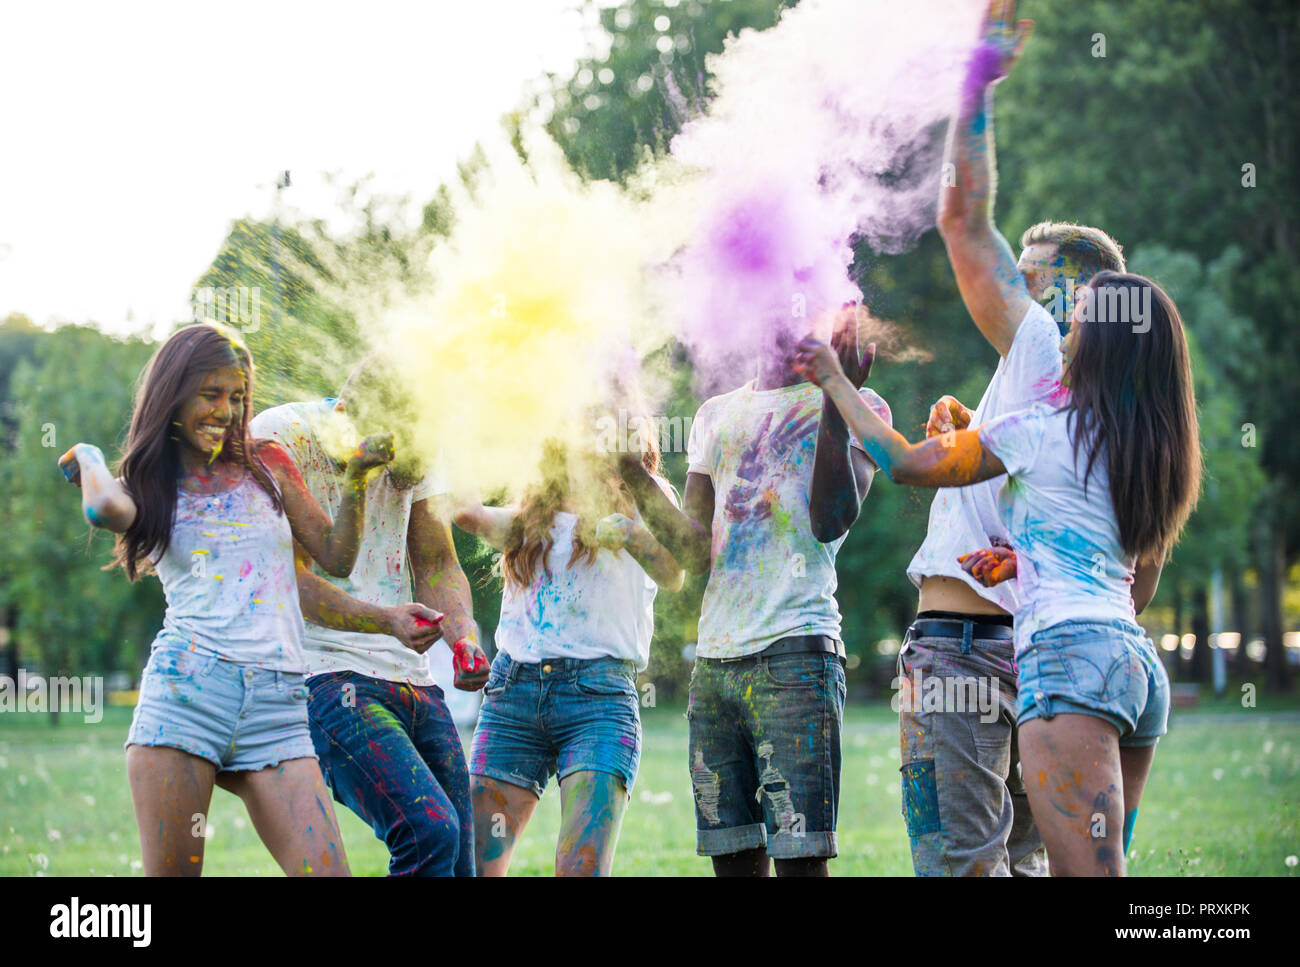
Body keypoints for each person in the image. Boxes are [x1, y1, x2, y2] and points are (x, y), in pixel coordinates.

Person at [793, 269, 1201, 876]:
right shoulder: (1145, 441)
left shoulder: (1041, 415)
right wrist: (1027, 561)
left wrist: (832, 379)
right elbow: (1128, 578)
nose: (1061, 330)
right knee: (1050, 863)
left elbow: (902, 462)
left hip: (993, 658)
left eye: (1076, 317)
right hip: (1119, 663)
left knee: (966, 865)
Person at [894, 0, 1128, 875]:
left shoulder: (1039, 339)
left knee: (960, 868)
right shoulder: (1117, 400)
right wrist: (976, 433)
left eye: (1030, 282)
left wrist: (977, 78)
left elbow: (961, 216)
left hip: (964, 644)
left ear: (1070, 296)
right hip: (1055, 648)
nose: (1010, 296)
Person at [58, 323, 393, 876]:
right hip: (190, 693)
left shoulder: (269, 463)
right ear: (173, 397)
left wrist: (357, 476)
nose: (226, 410)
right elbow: (103, 511)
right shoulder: (153, 478)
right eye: (210, 394)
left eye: (237, 396)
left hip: (278, 706)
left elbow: (336, 558)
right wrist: (91, 460)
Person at [618, 314, 890, 876]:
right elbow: (695, 554)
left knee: (799, 864)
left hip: (797, 657)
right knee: (733, 863)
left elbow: (829, 520)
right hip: (715, 668)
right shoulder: (715, 413)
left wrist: (838, 401)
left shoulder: (863, 403)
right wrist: (635, 477)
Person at [249, 358, 490, 877]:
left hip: (410, 677)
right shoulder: (279, 437)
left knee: (461, 858)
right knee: (430, 833)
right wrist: (386, 620)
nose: (423, 464)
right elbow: (287, 583)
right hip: (320, 675)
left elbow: (437, 562)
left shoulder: (421, 442)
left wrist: (462, 636)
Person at [454, 424, 684, 877]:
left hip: (598, 701)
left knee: (580, 869)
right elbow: (466, 514)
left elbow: (675, 571)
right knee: (476, 866)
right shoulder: (535, 511)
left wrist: (633, 535)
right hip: (512, 697)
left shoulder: (648, 495)